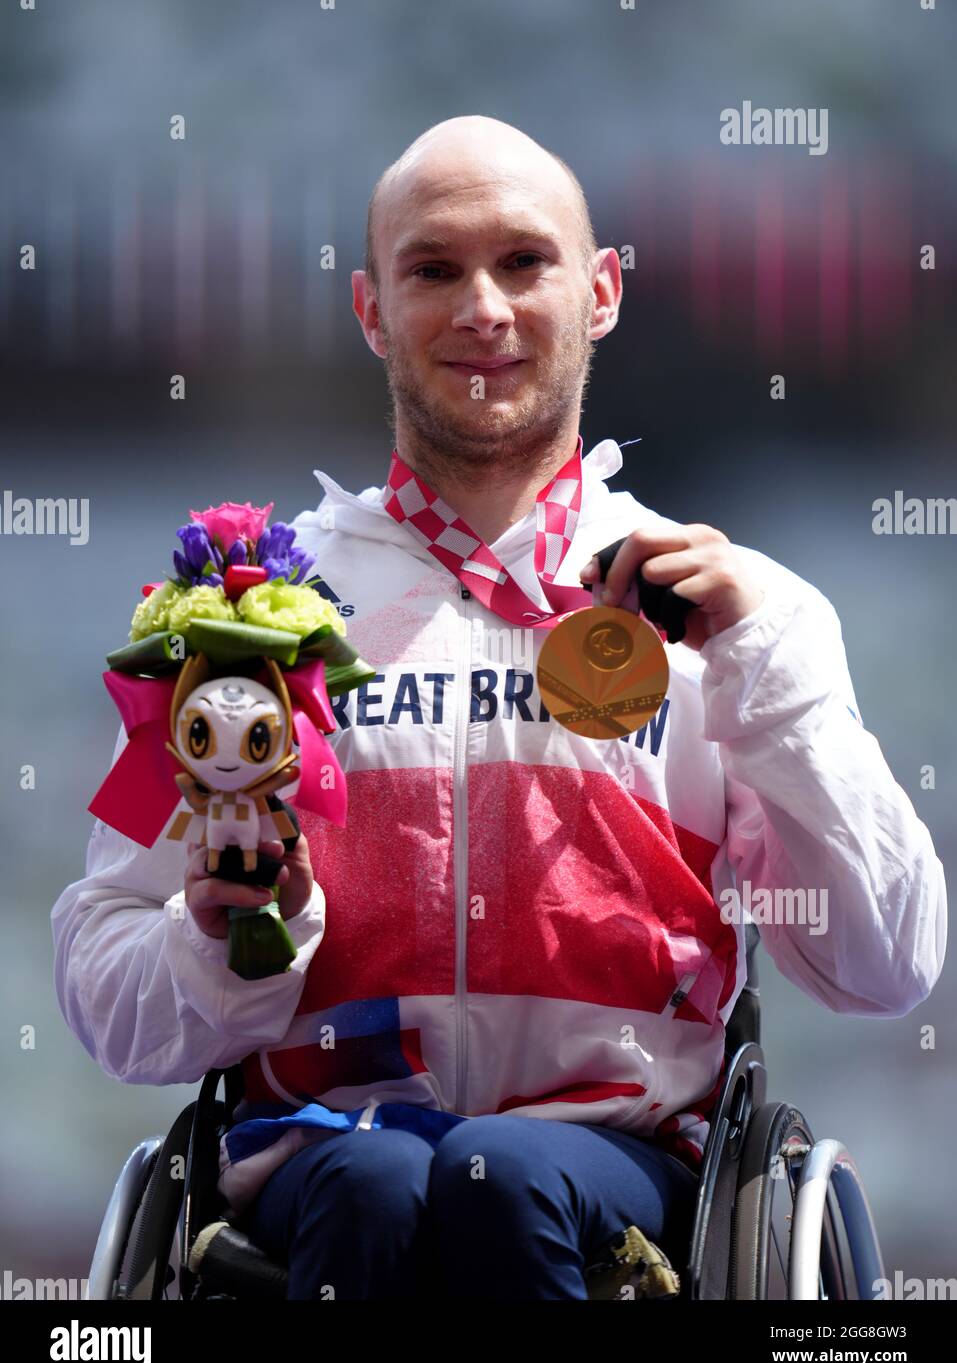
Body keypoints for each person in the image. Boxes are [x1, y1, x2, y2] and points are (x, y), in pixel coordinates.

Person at [52, 115, 946, 1301]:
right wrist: (219, 946)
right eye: (434, 269)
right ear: (373, 310)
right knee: (387, 1183)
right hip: (329, 1163)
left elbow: (888, 966)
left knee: (498, 1171)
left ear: (603, 289)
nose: (484, 309)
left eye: (525, 262)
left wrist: (767, 673)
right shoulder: (243, 619)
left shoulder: (736, 610)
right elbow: (107, 998)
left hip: (623, 1173)